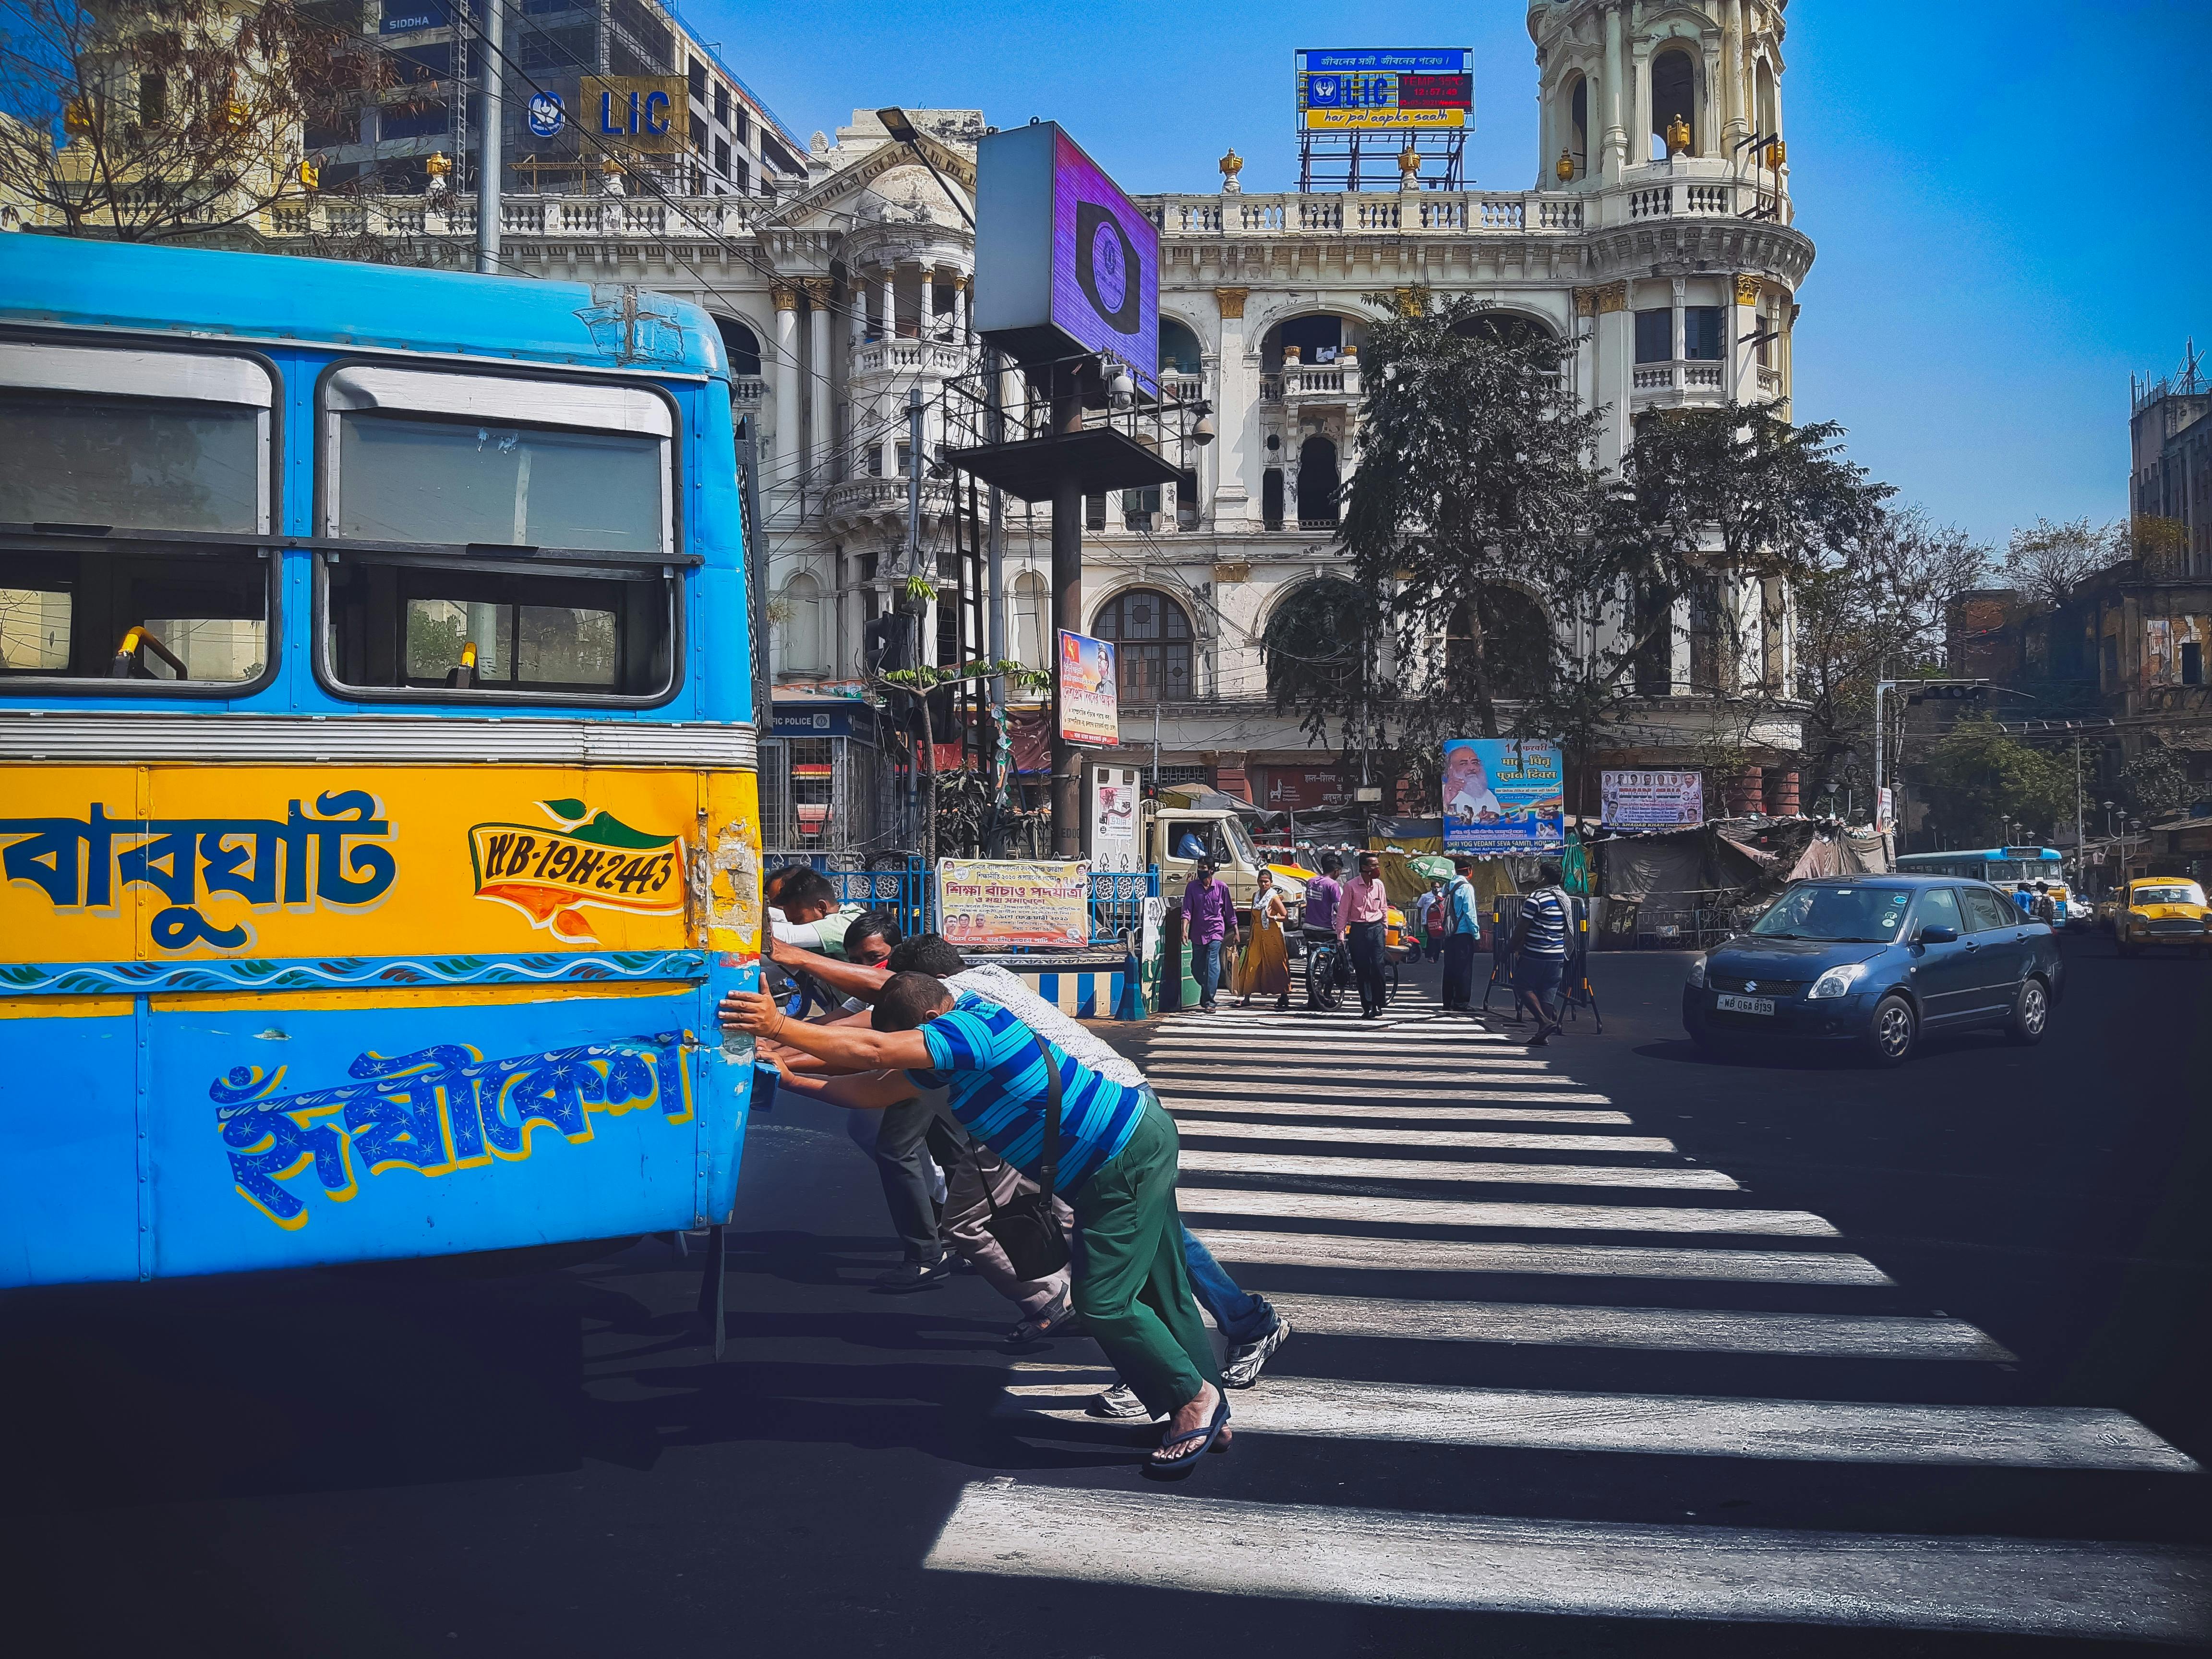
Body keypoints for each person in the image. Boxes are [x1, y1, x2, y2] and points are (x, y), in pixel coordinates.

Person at [723, 973, 1238, 1477]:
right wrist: (793, 1080)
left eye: (911, 1043)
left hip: (1117, 1157)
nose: (908, 1052)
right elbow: (872, 1090)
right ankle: (1206, 1412)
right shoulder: (951, 1052)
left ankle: (1193, 1398)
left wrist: (779, 1026)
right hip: (1126, 1147)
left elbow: (875, 1052)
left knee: (1104, 1301)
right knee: (1161, 1285)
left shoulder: (975, 1027)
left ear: (931, 1018)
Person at [1514, 863, 1573, 1046]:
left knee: (1522, 986)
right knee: (1548, 993)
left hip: (1536, 952)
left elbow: (1521, 927)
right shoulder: (1565, 898)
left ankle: (1544, 1021)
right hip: (1557, 954)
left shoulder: (1537, 898)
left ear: (1544, 878)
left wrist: (1509, 949)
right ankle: (1543, 1035)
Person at [1337, 850, 1392, 1018]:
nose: (1377, 868)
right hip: (1358, 930)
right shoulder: (1351, 886)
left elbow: (1384, 908)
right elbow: (1343, 912)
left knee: (1378, 966)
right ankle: (1367, 1006)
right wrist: (1340, 935)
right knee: (1362, 970)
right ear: (1364, 868)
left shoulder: (1379, 885)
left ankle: (1379, 1003)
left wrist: (1384, 928)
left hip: (1376, 929)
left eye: (1377, 865)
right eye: (1373, 865)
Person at [1180, 857, 1238, 1014]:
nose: (1200, 870)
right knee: (1196, 967)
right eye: (1199, 867)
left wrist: (1236, 931)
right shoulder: (1192, 887)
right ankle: (1206, 988)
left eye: (1203, 868)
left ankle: (1210, 1002)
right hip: (1198, 932)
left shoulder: (1222, 887)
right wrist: (1184, 929)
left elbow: (1229, 911)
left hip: (1216, 931)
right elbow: (1187, 910)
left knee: (1212, 965)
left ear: (1211, 870)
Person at [1233, 866, 1292, 1010]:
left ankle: (1284, 994)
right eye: (1261, 881)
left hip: (1272, 936)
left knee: (1277, 964)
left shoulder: (1274, 898)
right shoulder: (1256, 896)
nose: (1264, 884)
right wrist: (1250, 935)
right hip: (1257, 934)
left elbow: (1285, 917)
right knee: (1252, 964)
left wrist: (1273, 917)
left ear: (1271, 883)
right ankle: (1247, 997)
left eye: (1266, 881)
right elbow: (1253, 918)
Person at [1441, 856, 1482, 1013]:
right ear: (1469, 871)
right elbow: (1470, 913)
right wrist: (1476, 935)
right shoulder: (1466, 888)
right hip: (1463, 933)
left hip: (1449, 932)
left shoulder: (1447, 886)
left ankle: (1448, 1001)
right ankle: (1461, 1002)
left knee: (1449, 968)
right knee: (1463, 969)